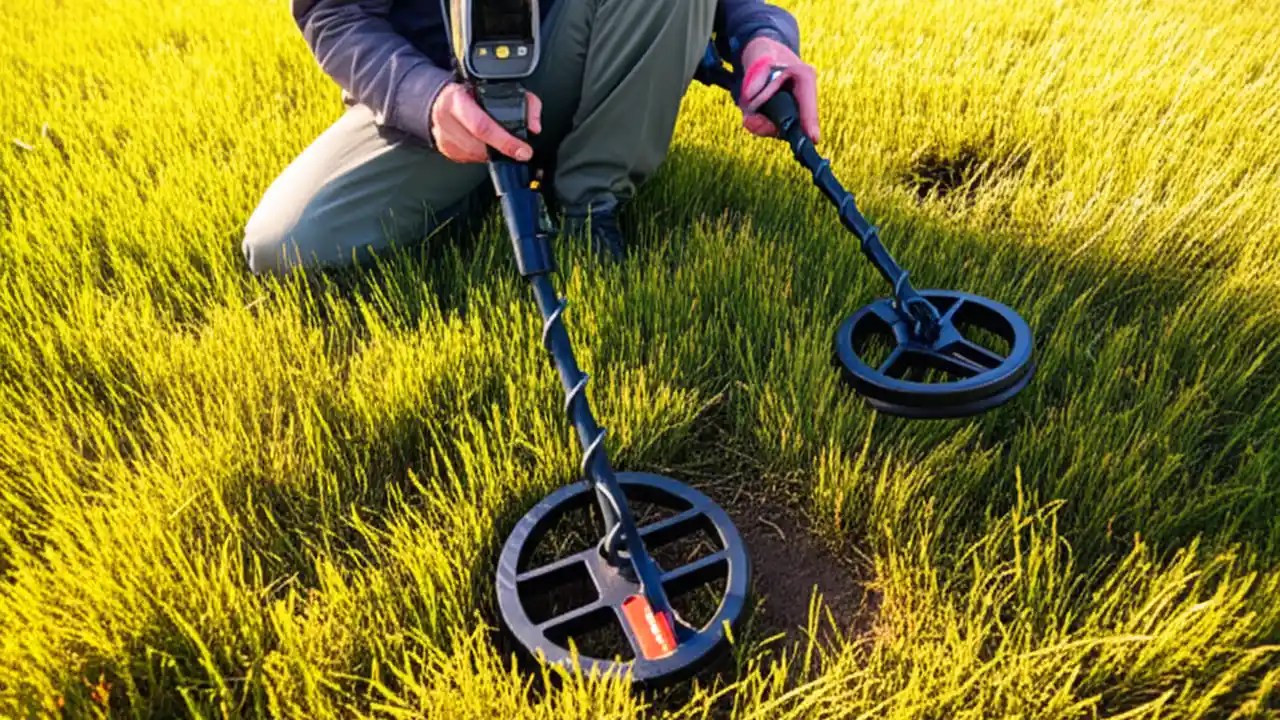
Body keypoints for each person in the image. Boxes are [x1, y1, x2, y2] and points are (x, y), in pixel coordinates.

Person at [241, 0, 821, 275]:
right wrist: (429, 100)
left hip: (567, 50)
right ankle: (481, 180)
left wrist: (761, 36)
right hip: (438, 85)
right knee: (282, 244)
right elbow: (335, 15)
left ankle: (591, 206)